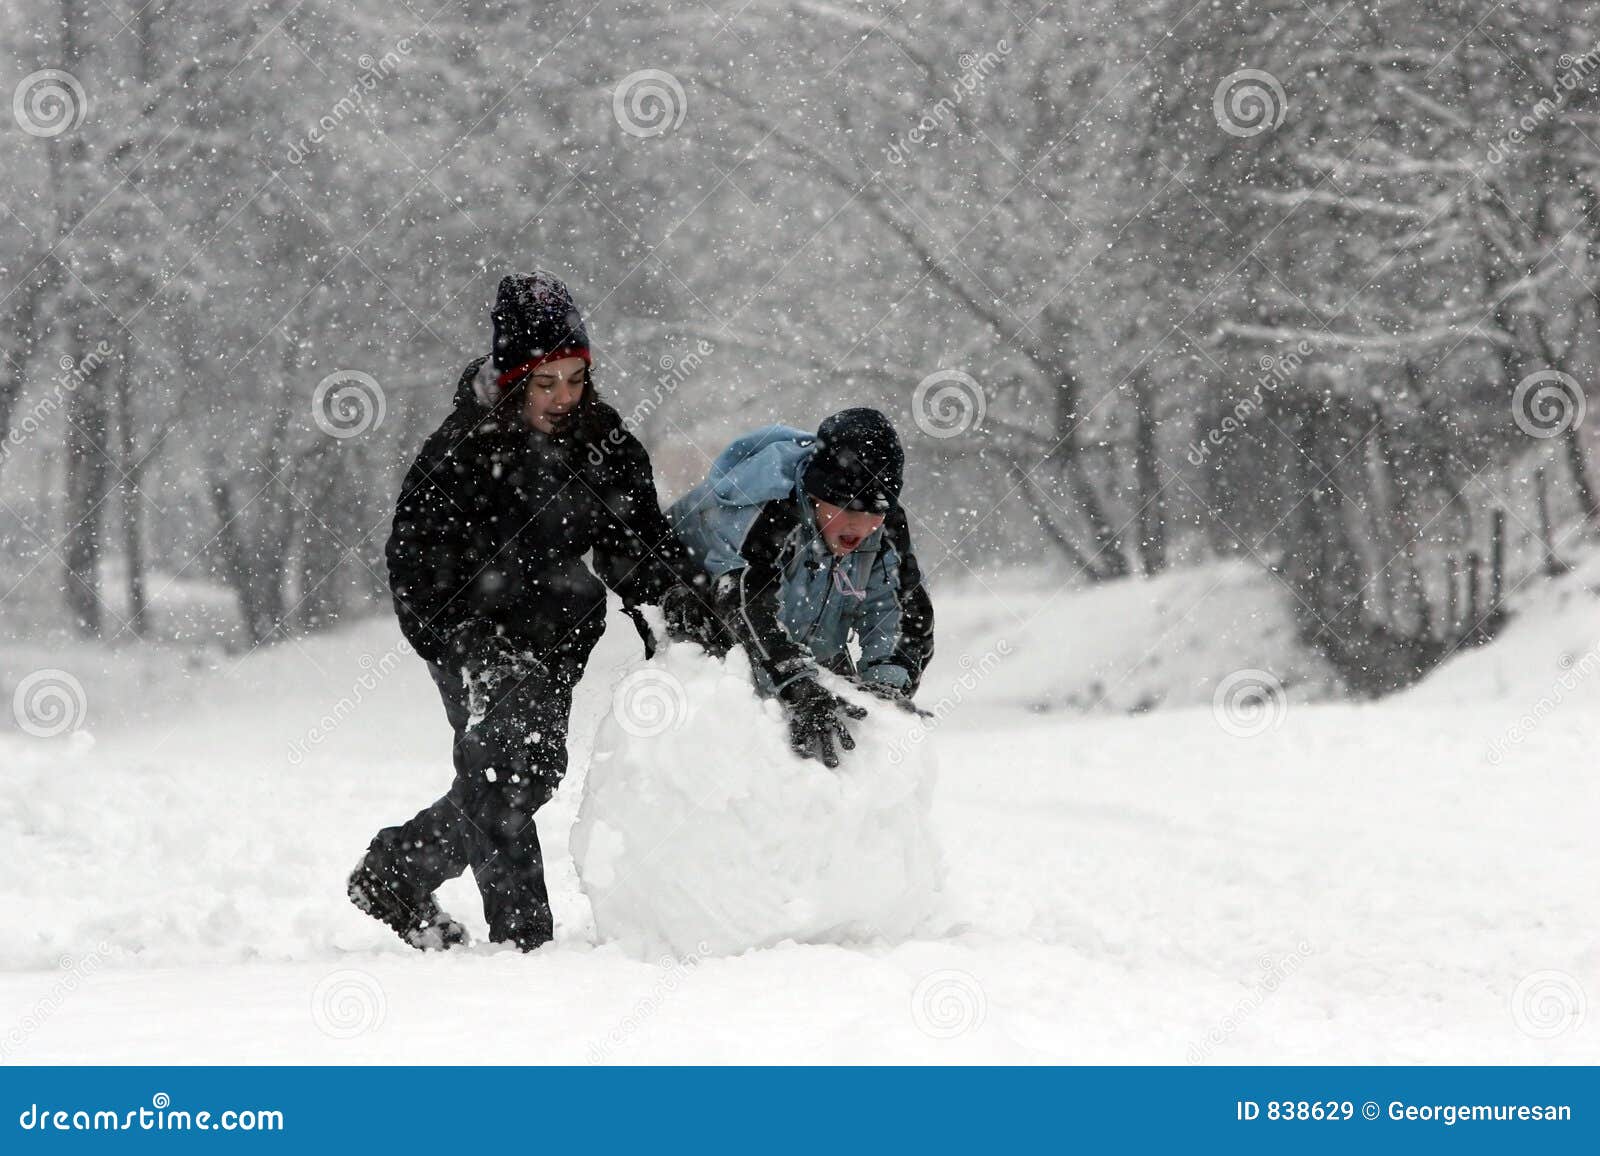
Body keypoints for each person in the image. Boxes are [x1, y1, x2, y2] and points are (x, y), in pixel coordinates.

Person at [349, 271, 718, 952]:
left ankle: (398, 869)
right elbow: (412, 563)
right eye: (546, 383)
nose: (564, 397)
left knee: (527, 774)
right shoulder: (460, 451)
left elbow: (635, 545)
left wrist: (682, 608)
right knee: (506, 770)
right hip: (473, 637)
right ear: (515, 378)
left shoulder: (598, 441)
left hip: (557, 637)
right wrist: (464, 641)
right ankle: (525, 944)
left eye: (576, 378)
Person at [664, 408, 935, 768]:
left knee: (843, 739)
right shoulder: (767, 511)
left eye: (874, 512)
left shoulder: (884, 530)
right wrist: (797, 686)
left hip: (812, 645)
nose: (861, 525)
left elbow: (900, 617)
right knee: (743, 752)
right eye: (847, 508)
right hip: (719, 645)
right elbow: (745, 604)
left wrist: (886, 689)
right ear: (817, 492)